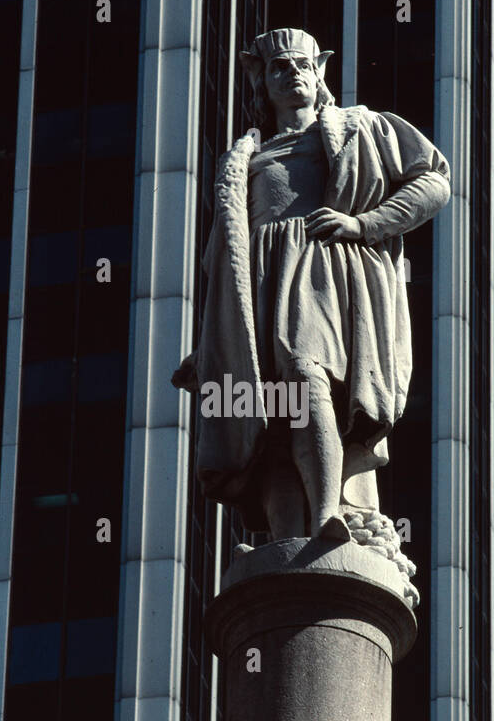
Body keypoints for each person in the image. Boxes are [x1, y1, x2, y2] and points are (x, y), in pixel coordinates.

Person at [173, 27, 451, 543]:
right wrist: (212, 346)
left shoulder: (362, 128)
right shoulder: (243, 159)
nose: (293, 73)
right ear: (261, 78)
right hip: (256, 290)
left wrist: (366, 223)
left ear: (320, 70)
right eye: (279, 66)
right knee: (267, 418)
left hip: (324, 280)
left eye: (302, 64)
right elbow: (220, 260)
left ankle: (330, 513)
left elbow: (434, 179)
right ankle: (284, 540)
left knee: (305, 376)